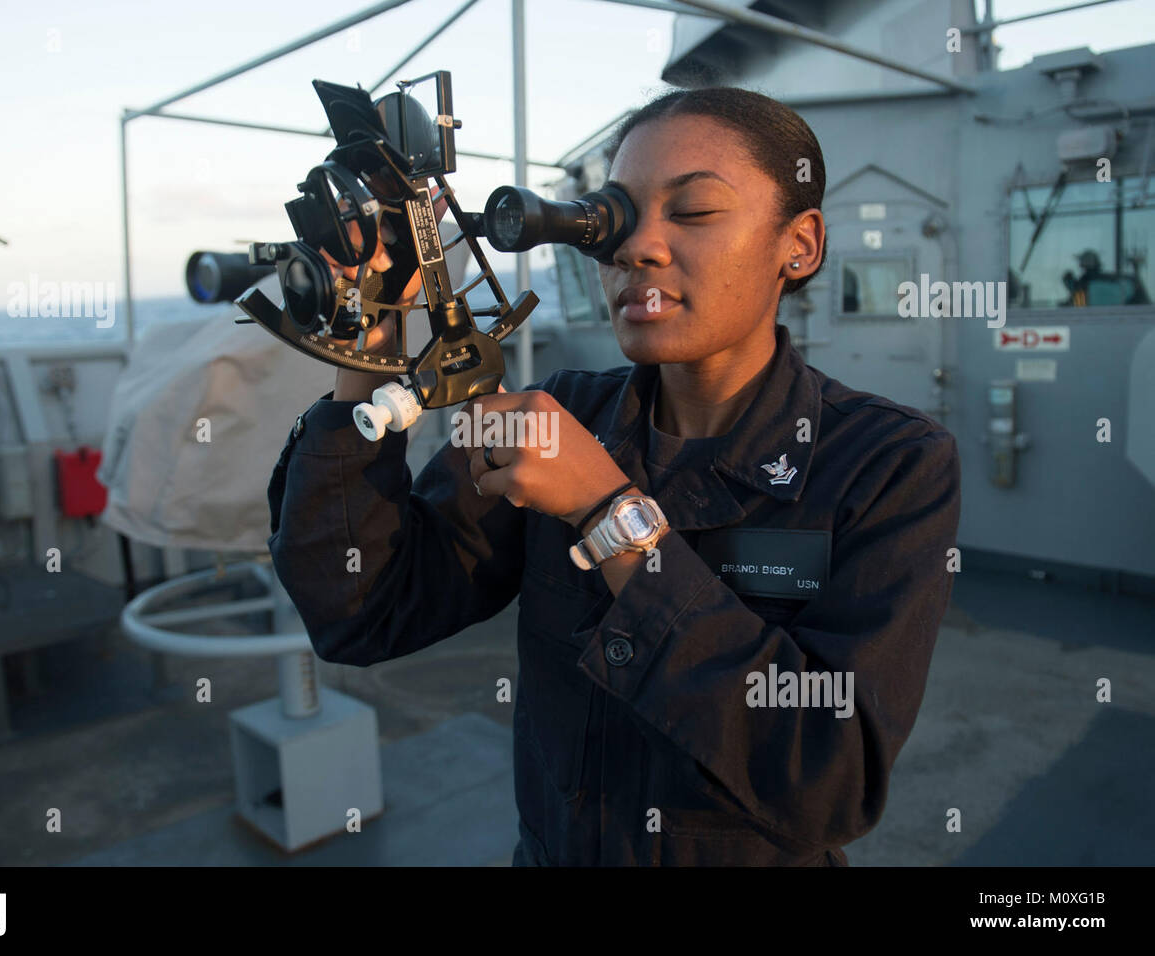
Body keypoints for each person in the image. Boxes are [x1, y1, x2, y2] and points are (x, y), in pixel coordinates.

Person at [268, 86, 961, 866]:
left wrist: (606, 512)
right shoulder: (561, 414)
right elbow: (361, 610)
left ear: (798, 245)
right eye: (615, 217)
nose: (637, 249)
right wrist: (370, 336)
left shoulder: (888, 462)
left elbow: (830, 777)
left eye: (694, 212)